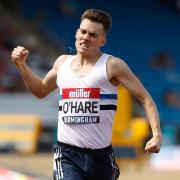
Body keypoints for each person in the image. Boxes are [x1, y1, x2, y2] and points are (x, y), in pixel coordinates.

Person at [11, 9, 162, 180]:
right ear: (76, 32)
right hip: (67, 155)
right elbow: (40, 90)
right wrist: (21, 66)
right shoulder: (62, 63)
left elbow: (145, 99)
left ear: (102, 40)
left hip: (101, 158)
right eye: (83, 31)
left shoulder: (112, 65)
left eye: (93, 34)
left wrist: (156, 135)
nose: (85, 37)